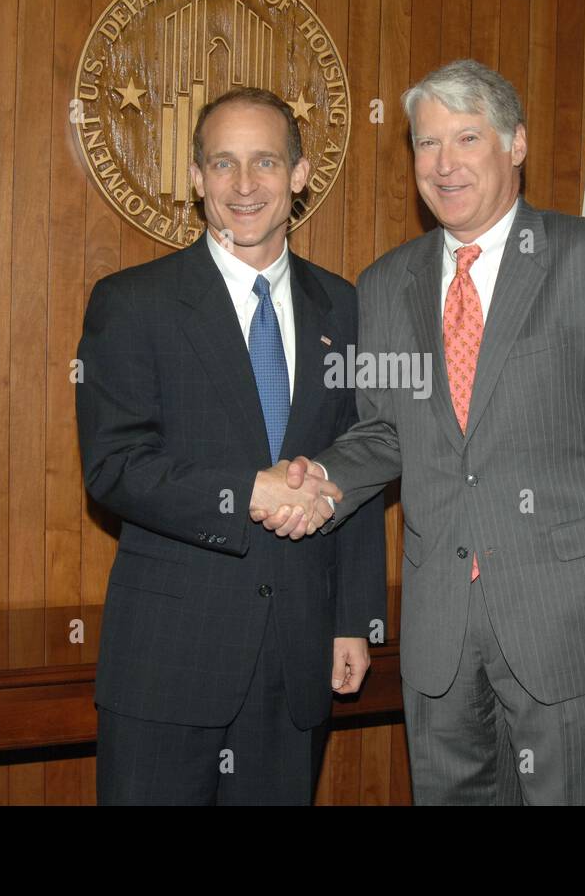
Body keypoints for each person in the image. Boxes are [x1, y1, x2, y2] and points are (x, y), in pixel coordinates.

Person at [253, 59, 585, 805]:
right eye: (426, 143)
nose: (444, 163)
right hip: (439, 629)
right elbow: (386, 431)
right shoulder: (388, 284)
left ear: (515, 145)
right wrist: (323, 481)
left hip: (568, 622)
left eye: (466, 138)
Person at [77, 87, 386, 805]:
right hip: (165, 663)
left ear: (300, 174)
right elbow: (112, 466)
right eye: (223, 163)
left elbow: (363, 462)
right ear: (196, 179)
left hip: (297, 658)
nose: (244, 185)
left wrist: (354, 622)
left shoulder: (343, 307)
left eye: (266, 163)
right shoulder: (132, 302)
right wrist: (248, 489)